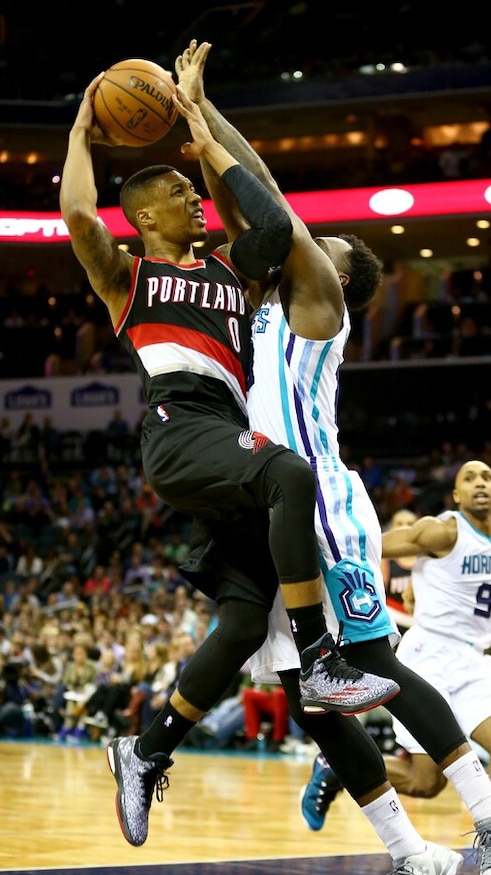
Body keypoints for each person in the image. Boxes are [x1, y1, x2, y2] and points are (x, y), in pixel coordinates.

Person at [172, 41, 491, 875]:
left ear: (342, 273)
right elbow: (253, 205)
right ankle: (412, 854)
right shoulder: (266, 303)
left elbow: (271, 206)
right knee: (314, 699)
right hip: (273, 512)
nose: (313, 242)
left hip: (324, 506)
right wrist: (199, 120)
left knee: (375, 667)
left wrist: (206, 124)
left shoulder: (324, 301)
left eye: (328, 244)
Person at [60, 70, 396, 729]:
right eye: (180, 193)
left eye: (194, 191)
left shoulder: (229, 267)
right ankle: (319, 659)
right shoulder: (128, 277)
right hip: (180, 426)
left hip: (224, 433)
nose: (195, 199)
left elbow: (274, 224)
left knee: (245, 616)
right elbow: (78, 214)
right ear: (145, 216)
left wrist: (204, 134)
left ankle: (147, 749)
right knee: (291, 474)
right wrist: (80, 131)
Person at [298, 457, 491, 867]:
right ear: (457, 494)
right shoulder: (441, 531)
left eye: (487, 477)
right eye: (469, 478)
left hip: (475, 658)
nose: (479, 483)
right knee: (426, 782)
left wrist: (422, 587)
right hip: (430, 654)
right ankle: (336, 767)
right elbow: (367, 547)